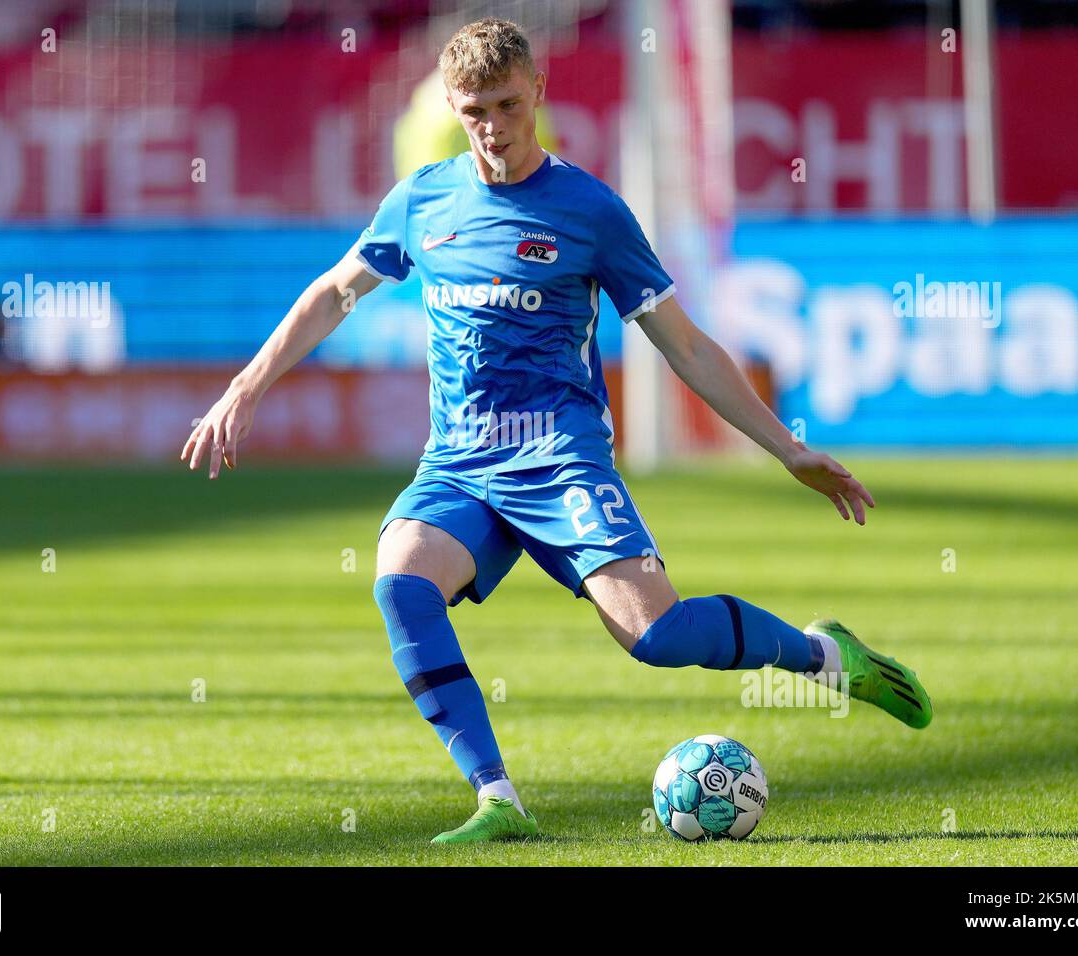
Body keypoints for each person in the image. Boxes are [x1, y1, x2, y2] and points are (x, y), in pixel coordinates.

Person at [182, 18, 932, 845]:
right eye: (474, 111)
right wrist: (245, 386)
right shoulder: (423, 200)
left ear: (537, 91)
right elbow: (335, 290)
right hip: (459, 465)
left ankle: (824, 657)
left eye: (508, 104)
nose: (494, 128)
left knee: (657, 637)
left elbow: (682, 343)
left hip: (559, 460)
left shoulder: (589, 210)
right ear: (452, 108)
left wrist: (787, 447)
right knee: (399, 581)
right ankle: (498, 798)